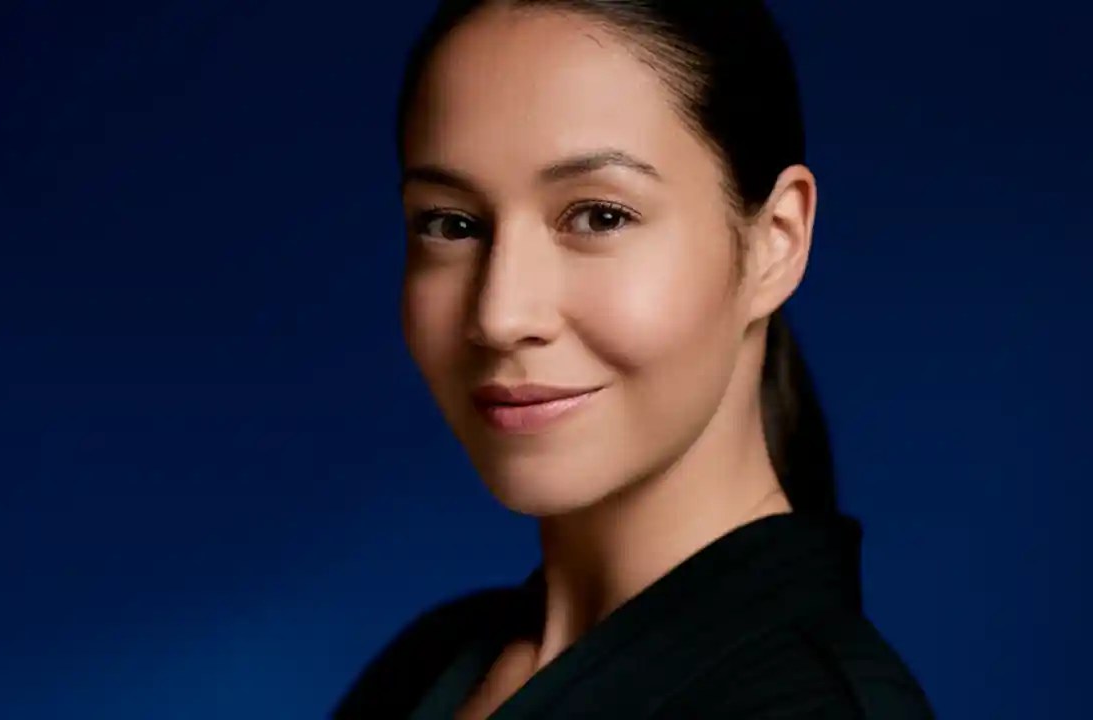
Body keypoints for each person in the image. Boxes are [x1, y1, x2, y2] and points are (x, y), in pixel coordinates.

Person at [335, 1, 935, 717]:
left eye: (599, 216)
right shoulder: (427, 667)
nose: (500, 315)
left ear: (776, 241)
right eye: (452, 224)